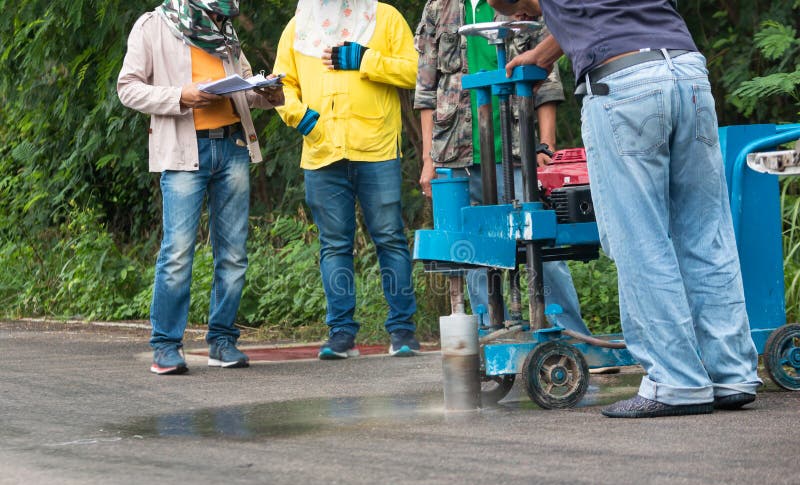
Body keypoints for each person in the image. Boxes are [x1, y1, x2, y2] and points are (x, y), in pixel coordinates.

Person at [494, 0, 762, 417]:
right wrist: (545, 51)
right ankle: (731, 373)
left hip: (624, 84)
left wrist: (520, 9)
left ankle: (675, 382)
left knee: (641, 238)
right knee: (706, 233)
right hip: (687, 72)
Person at [117, 0, 284, 375]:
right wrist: (181, 96)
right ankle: (165, 346)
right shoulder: (154, 25)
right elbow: (127, 89)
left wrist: (267, 93)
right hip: (183, 152)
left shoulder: (223, 27)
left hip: (233, 147)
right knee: (177, 253)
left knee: (234, 254)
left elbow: (242, 90)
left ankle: (222, 341)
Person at [414, 0, 591, 336]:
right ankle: (489, 331)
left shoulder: (518, 2)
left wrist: (546, 145)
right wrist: (428, 159)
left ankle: (568, 332)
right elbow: (426, 89)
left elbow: (547, 77)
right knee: (475, 248)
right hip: (458, 150)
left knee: (542, 242)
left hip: (516, 146)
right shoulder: (439, 8)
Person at [273, 0, 421, 359]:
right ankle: (341, 334)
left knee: (390, 239)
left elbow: (417, 72)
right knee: (334, 245)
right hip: (323, 152)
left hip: (377, 149)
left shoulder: (385, 17)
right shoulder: (298, 25)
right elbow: (279, 85)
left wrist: (366, 60)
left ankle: (402, 331)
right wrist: (300, 117)